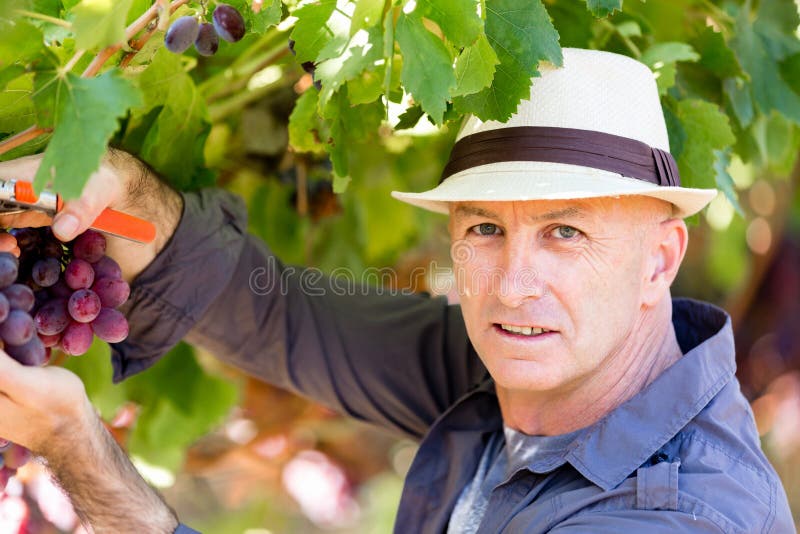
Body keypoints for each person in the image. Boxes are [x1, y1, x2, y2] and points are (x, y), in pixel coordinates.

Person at [0, 48, 793, 533]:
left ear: (661, 259)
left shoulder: (678, 517)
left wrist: (78, 451)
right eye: (484, 229)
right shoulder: (528, 368)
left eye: (566, 233)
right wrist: (134, 202)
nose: (513, 285)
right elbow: (276, 312)